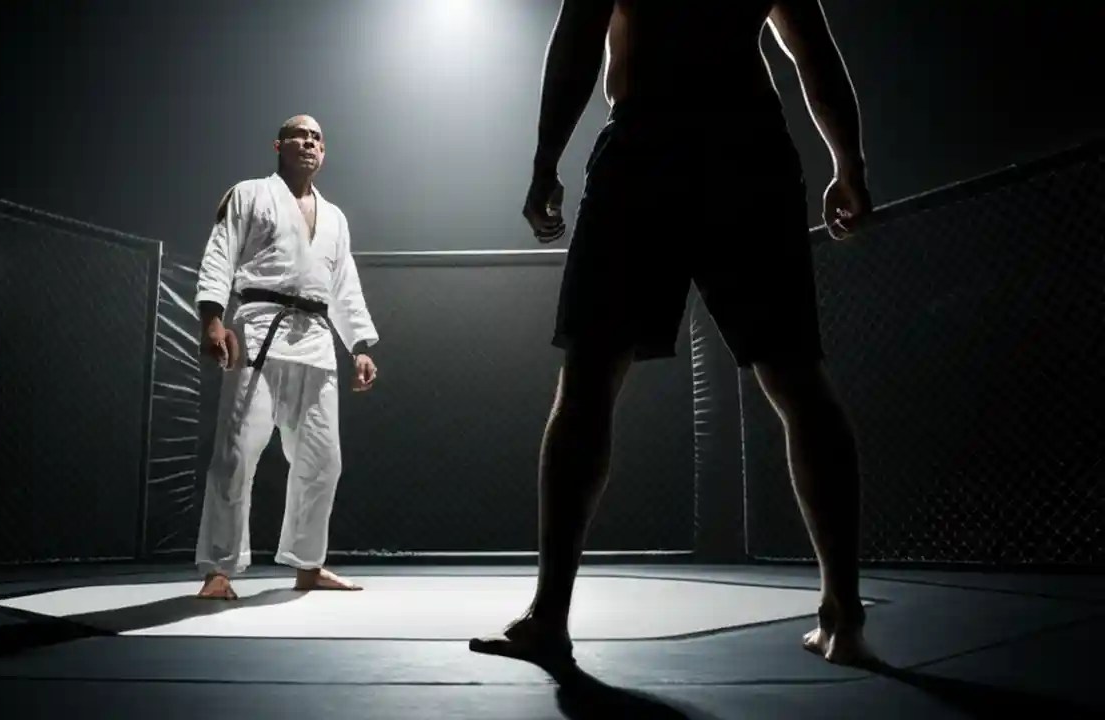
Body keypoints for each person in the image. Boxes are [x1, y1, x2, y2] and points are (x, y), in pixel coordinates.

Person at [470, 0, 878, 668]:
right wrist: (849, 164)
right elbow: (812, 50)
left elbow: (578, 40)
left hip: (651, 144)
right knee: (795, 376)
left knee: (590, 379)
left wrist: (546, 161)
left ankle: (549, 616)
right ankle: (843, 612)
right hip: (746, 148)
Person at [192, 114, 379, 599]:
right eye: (299, 135)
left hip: (315, 340)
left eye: (317, 137)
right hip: (257, 332)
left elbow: (344, 286)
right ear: (279, 145)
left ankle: (307, 563)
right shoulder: (249, 194)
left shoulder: (334, 217)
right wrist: (212, 319)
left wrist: (359, 345)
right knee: (235, 454)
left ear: (324, 151)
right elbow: (219, 255)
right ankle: (219, 569)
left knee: (323, 460)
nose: (309, 142)